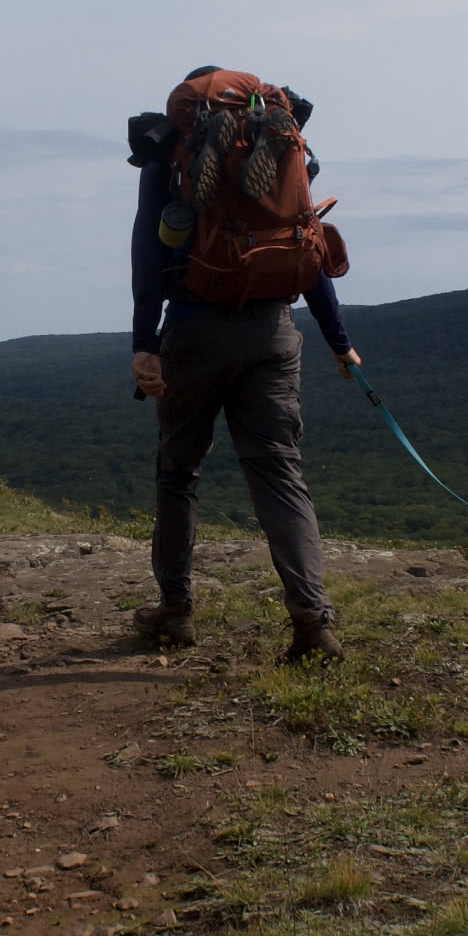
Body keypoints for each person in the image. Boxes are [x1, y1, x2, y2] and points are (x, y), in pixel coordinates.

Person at [128, 75, 362, 663]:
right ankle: (313, 622)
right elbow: (305, 248)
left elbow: (147, 253)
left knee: (178, 472)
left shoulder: (170, 156)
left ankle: (176, 613)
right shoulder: (284, 151)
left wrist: (143, 343)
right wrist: (339, 341)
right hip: (272, 333)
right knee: (279, 473)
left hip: (193, 331)